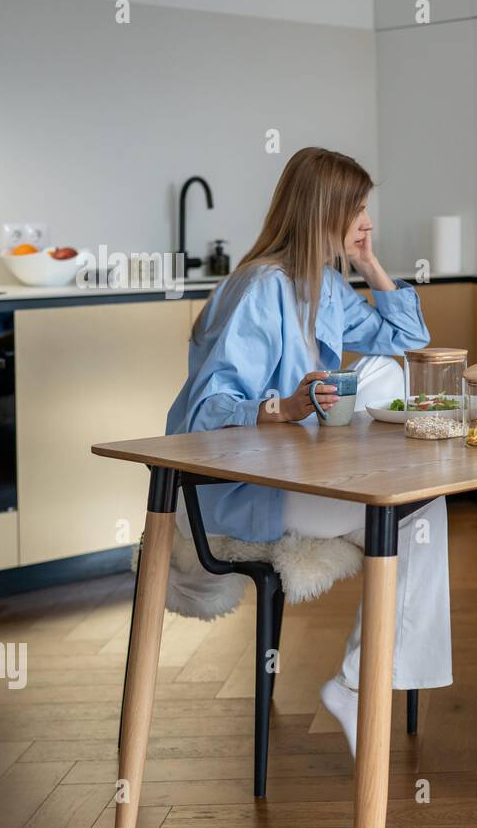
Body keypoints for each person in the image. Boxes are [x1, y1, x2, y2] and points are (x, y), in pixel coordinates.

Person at [166, 146, 451, 758]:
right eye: (358, 211)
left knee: (412, 478)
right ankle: (355, 683)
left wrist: (369, 260)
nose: (367, 221)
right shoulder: (262, 288)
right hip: (248, 489)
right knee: (421, 512)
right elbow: (202, 415)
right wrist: (282, 408)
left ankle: (358, 682)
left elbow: (408, 340)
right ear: (324, 212)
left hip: (301, 471)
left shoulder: (321, 283)